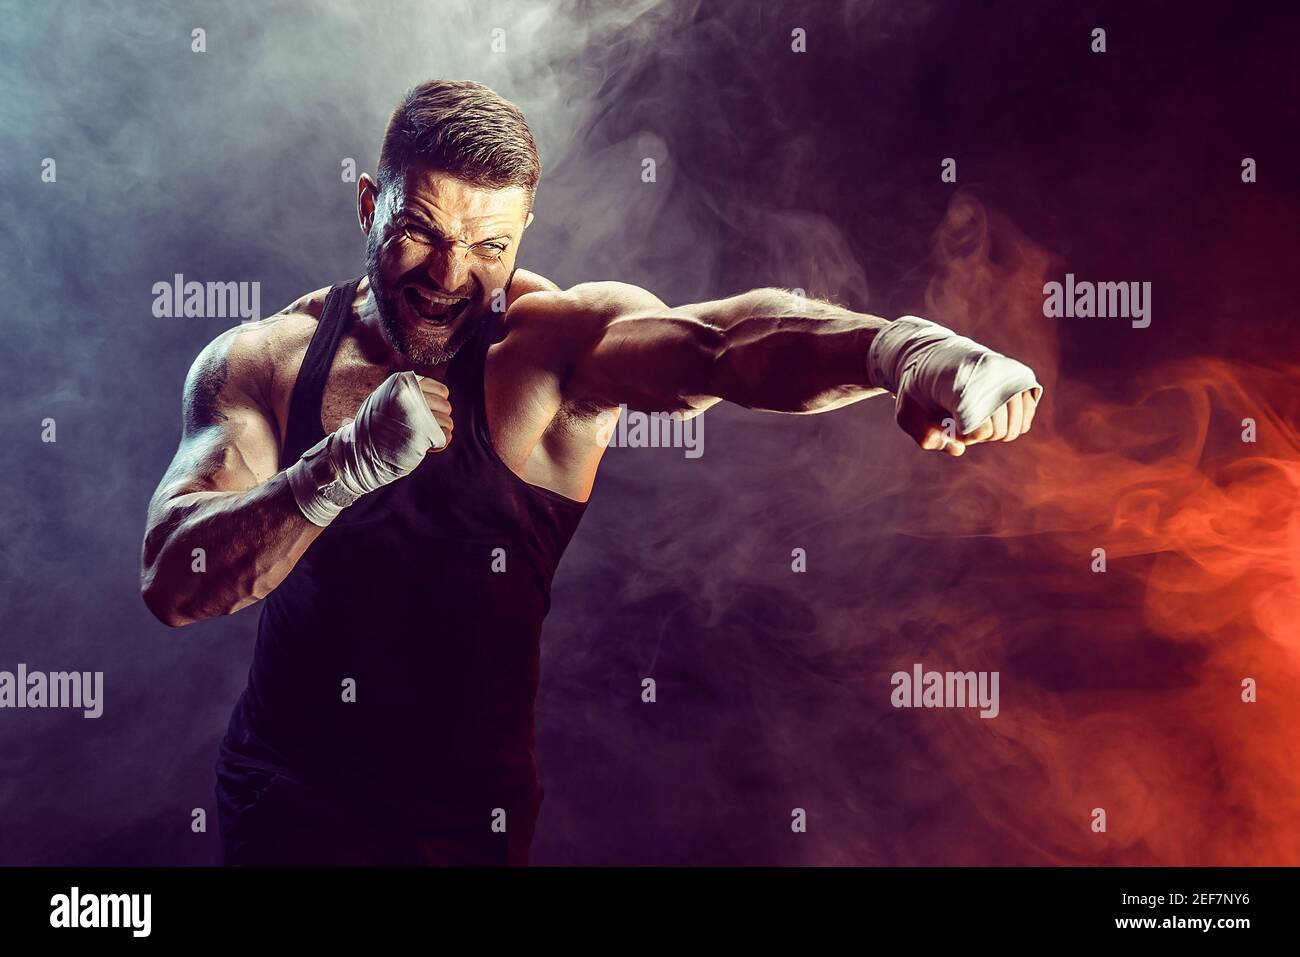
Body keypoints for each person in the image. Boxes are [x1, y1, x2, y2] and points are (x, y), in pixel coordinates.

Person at [139, 79, 1042, 866]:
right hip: (291, 798)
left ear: (525, 228)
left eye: (491, 246)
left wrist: (904, 349)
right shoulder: (264, 361)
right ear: (369, 203)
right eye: (420, 231)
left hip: (469, 817)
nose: (452, 276)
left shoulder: (551, 351)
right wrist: (341, 468)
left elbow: (724, 343)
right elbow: (175, 581)